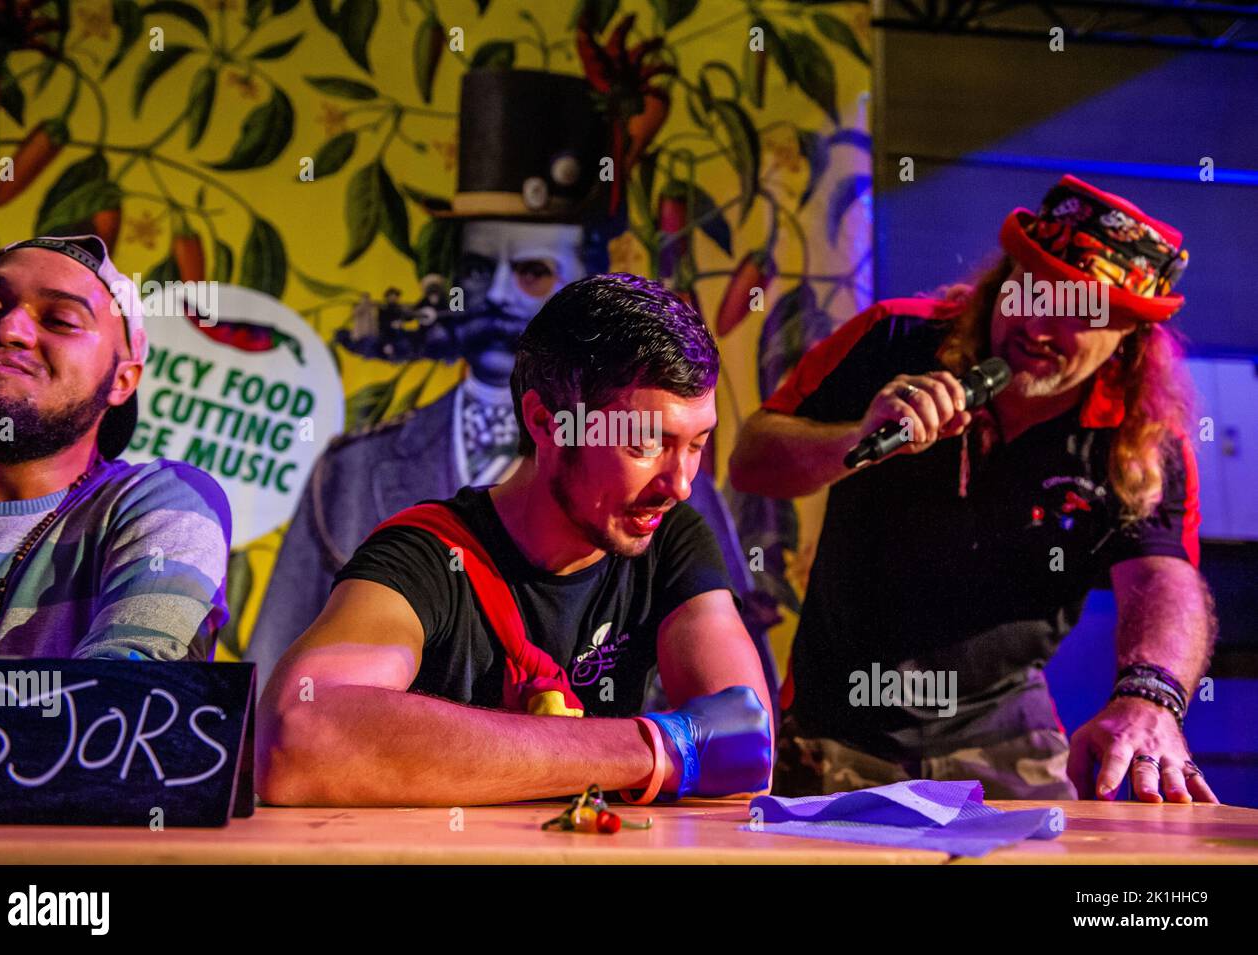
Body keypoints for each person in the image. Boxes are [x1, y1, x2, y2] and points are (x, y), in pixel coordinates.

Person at [247, 69, 778, 706]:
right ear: (547, 421)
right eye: (476, 268)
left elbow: (747, 731)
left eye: (531, 271)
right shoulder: (358, 478)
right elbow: (282, 712)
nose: (496, 295)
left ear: (582, 277)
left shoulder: (676, 526)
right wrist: (645, 751)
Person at [731, 175, 1218, 804]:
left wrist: (1151, 694)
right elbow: (751, 462)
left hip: (1008, 730)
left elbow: (1162, 579)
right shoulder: (894, 338)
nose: (1040, 325)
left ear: (1128, 335)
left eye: (1080, 312)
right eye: (1031, 290)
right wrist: (855, 439)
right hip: (837, 722)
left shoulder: (1143, 433)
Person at [257, 274, 773, 806]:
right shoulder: (426, 555)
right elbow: (299, 732)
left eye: (696, 445)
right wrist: (658, 748)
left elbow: (745, 750)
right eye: (645, 446)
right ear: (547, 423)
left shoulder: (670, 536)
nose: (679, 485)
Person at [0, 234, 231, 659]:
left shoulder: (162, 500)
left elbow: (120, 702)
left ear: (122, 381)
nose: (8, 329)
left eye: (61, 320)